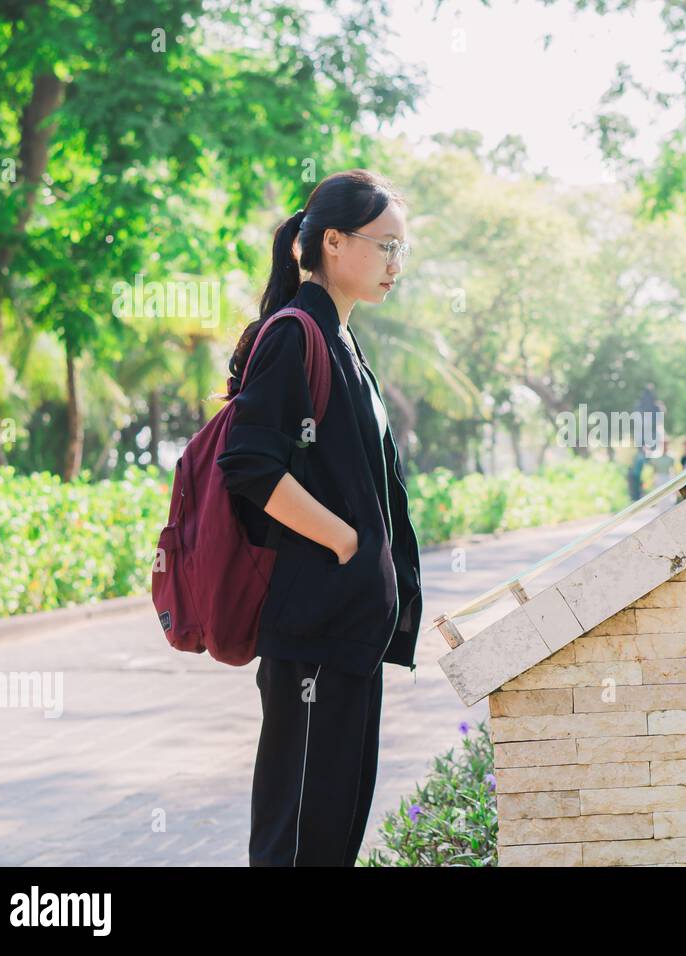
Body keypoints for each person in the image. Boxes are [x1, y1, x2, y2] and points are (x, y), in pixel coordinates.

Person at [214, 169, 423, 867]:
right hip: (313, 633)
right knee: (298, 838)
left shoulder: (343, 342)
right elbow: (250, 464)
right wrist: (346, 543)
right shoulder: (295, 335)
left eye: (403, 248)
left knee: (328, 837)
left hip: (347, 634)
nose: (398, 263)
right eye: (385, 245)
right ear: (334, 241)